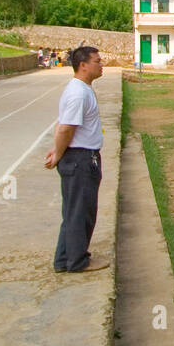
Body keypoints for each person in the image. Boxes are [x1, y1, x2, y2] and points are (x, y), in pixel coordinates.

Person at [46, 46, 107, 273]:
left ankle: (64, 259)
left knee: (74, 211)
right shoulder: (78, 93)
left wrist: (57, 151)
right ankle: (78, 261)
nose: (102, 65)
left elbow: (62, 124)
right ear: (83, 65)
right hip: (80, 158)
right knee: (81, 213)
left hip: (79, 156)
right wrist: (59, 153)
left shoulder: (81, 89)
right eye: (97, 61)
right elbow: (65, 129)